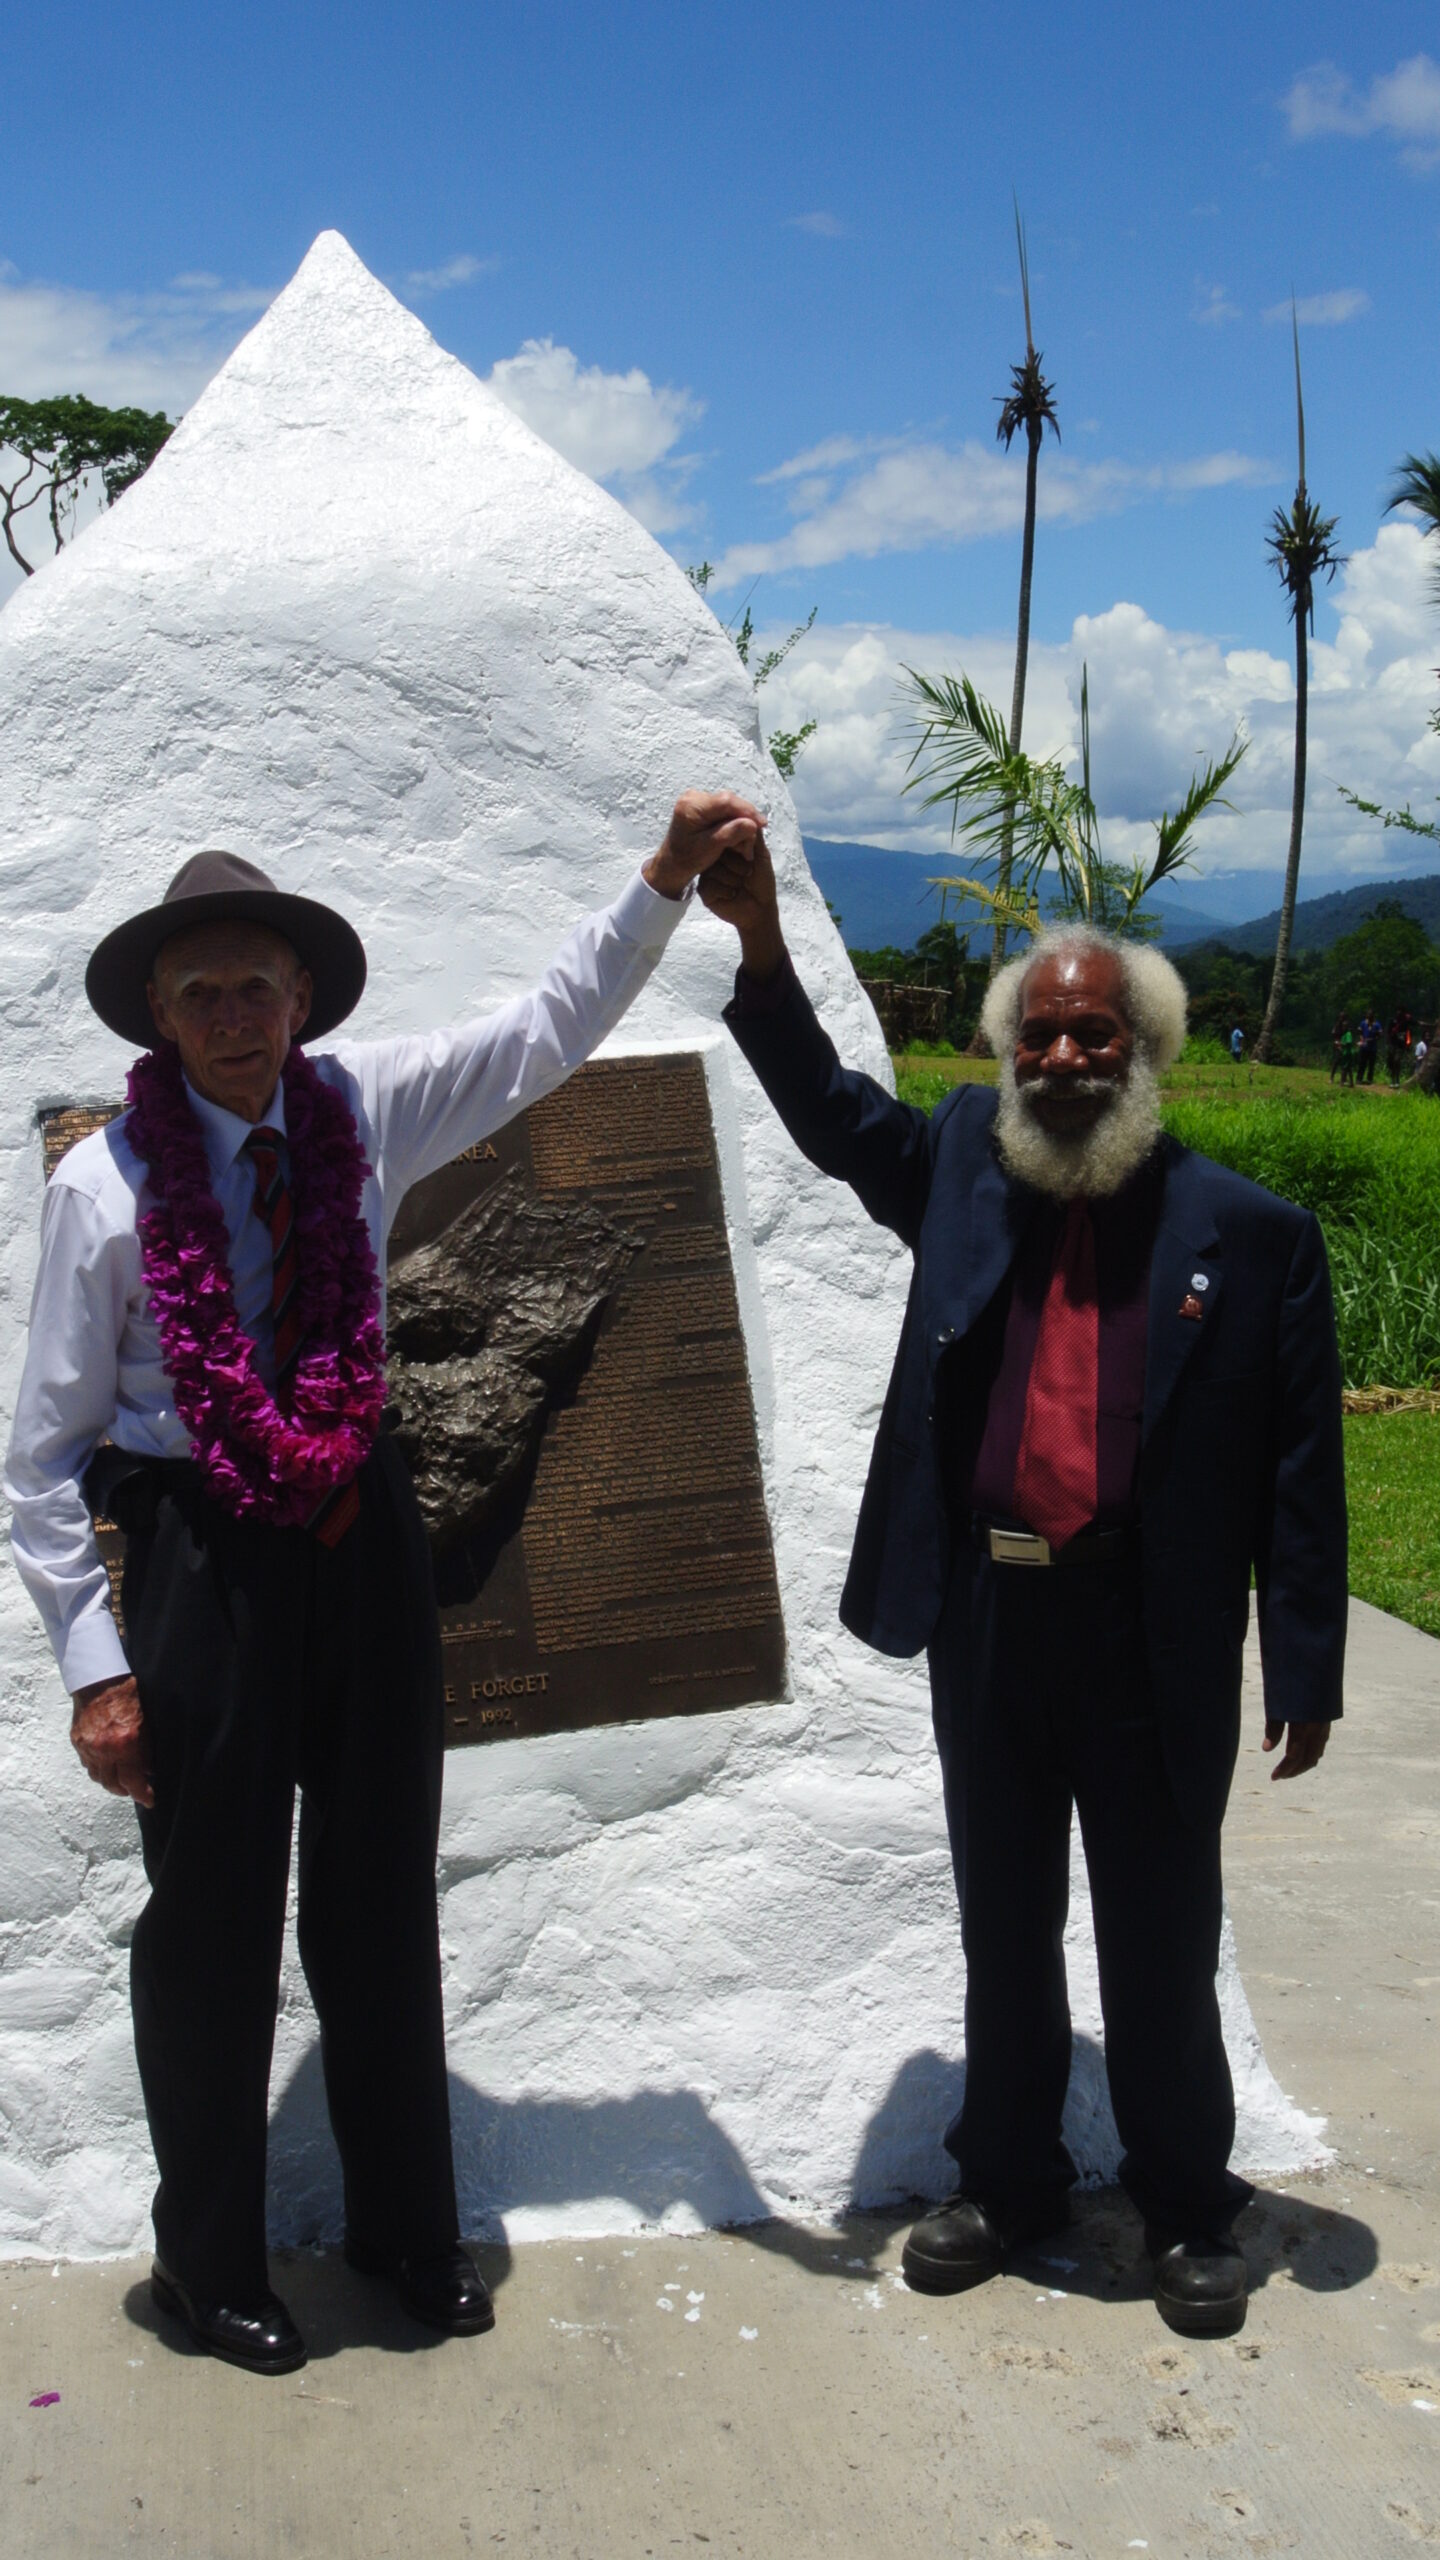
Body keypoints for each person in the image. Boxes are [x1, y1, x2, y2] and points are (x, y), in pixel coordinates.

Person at [4, 794, 764, 2377]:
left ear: (302, 1003)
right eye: (200, 993)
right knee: (211, 1925)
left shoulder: (366, 1113)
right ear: (159, 1012)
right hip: (204, 1559)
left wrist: (665, 882)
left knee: (376, 1903)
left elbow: (550, 1028)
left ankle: (405, 2232)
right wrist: (98, 1669)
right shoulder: (102, 1195)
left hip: (362, 1542)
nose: (232, 1017)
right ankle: (208, 2271)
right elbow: (42, 1460)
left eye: (257, 988)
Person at [700, 832, 1345, 2342]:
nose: (1060, 1054)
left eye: (1090, 1032)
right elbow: (832, 1115)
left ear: (1145, 1051)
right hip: (989, 1621)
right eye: (1036, 1033)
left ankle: (1192, 2204)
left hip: (1151, 1631)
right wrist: (764, 951)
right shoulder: (960, 1175)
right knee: (1004, 1920)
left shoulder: (1251, 1237)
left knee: (1159, 1927)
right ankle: (1012, 2181)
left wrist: (1303, 1668)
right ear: (1004, 1052)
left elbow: (1299, 1485)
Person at [1356, 1011, 1380, 1087]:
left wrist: (1373, 1039)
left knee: (1371, 1065)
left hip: (1372, 1047)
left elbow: (1379, 1035)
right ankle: (1359, 1079)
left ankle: (1369, 1079)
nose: (1369, 1018)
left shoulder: (1377, 1024)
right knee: (1362, 1063)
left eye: (1371, 1016)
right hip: (1364, 1046)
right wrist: (1362, 1039)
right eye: (1368, 1016)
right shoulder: (1363, 1023)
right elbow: (1359, 1032)